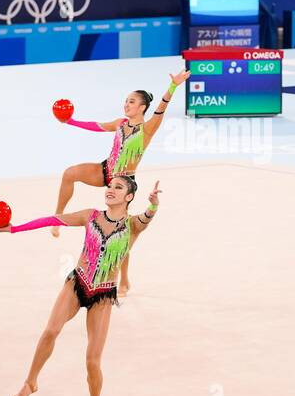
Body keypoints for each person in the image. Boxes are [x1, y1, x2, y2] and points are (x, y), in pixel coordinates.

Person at [1, 177, 163, 396]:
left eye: (119, 188)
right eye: (110, 186)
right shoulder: (90, 216)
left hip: (103, 295)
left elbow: (147, 218)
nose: (111, 190)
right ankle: (30, 382)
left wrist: (153, 205)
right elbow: (54, 219)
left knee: (92, 361)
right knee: (50, 331)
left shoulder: (131, 226)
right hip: (78, 283)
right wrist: (14, 229)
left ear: (129, 197)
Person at [51, 70, 190, 295]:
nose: (126, 104)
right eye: (126, 101)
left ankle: (124, 280)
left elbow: (161, 108)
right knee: (70, 173)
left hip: (124, 181)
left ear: (142, 107)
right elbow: (97, 126)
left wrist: (173, 86)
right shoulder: (120, 123)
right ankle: (57, 218)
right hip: (105, 170)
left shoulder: (147, 129)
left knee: (122, 235)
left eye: (132, 101)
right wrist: (70, 121)